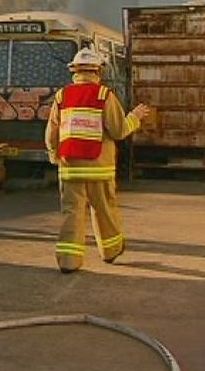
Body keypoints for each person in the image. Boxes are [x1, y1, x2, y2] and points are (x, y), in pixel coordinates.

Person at [46, 47, 151, 273]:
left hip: (70, 168)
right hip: (99, 168)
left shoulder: (61, 96)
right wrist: (134, 117)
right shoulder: (104, 95)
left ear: (75, 71)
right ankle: (111, 250)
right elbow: (119, 130)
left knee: (71, 213)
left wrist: (54, 154)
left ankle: (68, 261)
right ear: (98, 70)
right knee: (104, 209)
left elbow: (51, 132)